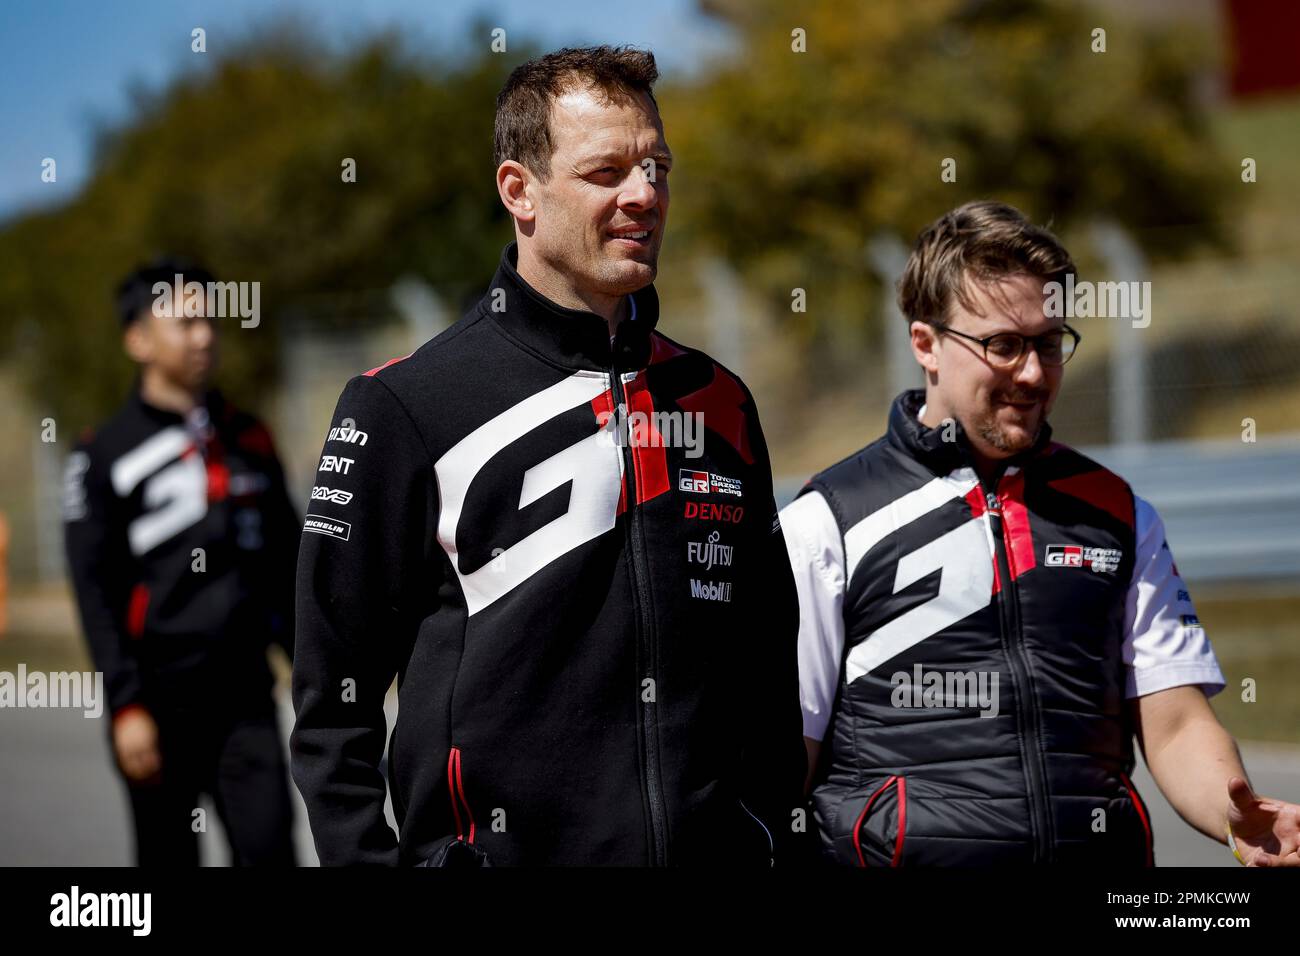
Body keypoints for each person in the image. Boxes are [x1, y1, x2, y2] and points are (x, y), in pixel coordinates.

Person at [290, 45, 806, 866]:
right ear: (518, 192)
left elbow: (768, 667)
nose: (645, 195)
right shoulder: (404, 406)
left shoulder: (720, 401)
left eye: (658, 167)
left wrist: (775, 835)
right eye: (608, 172)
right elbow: (332, 701)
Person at [781, 200, 1300, 866]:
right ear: (926, 344)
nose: (1031, 373)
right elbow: (785, 752)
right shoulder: (829, 519)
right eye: (1003, 344)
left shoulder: (1118, 514)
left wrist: (1236, 817)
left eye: (1049, 344)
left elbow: (1173, 726)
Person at [63, 258, 299, 866]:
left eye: (210, 321)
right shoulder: (101, 455)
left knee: (271, 851)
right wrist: (127, 706)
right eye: (185, 322)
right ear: (137, 339)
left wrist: (315, 678)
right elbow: (95, 592)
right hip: (159, 705)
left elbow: (286, 567)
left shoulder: (250, 436)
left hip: (247, 699)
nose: (204, 336)